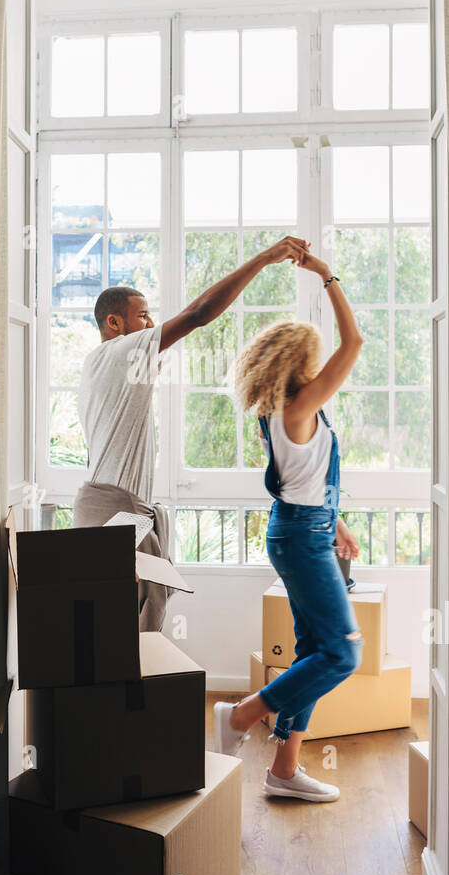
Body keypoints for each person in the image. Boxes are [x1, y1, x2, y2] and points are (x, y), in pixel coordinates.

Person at [73, 236, 311, 630]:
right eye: (144, 316)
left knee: (120, 632)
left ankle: (131, 690)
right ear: (114, 323)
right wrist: (265, 257)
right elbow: (199, 313)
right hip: (112, 518)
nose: (151, 325)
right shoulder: (121, 352)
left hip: (113, 514)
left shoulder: (98, 364)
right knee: (120, 635)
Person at [213, 248, 365, 801]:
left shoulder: (285, 410)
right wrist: (327, 274)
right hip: (300, 536)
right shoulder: (299, 405)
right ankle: (239, 716)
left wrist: (336, 521)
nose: (328, 362)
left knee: (313, 651)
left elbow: (303, 474)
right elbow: (356, 343)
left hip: (304, 528)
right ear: (301, 360)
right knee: (343, 653)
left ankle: (283, 770)